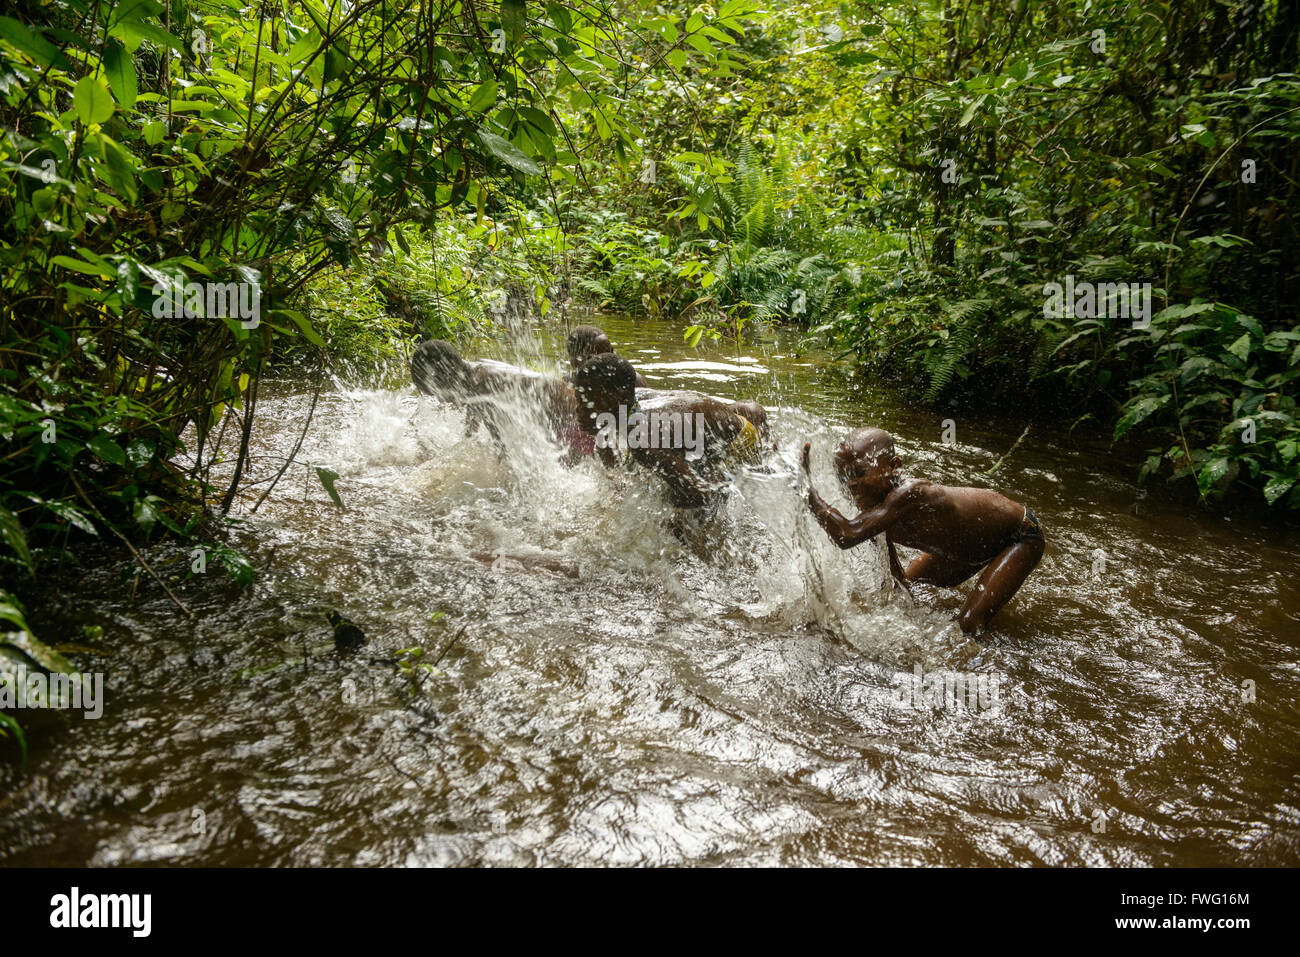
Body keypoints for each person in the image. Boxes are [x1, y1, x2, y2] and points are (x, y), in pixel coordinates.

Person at [801, 427, 1045, 634]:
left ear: (894, 467)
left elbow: (847, 535)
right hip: (970, 546)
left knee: (969, 624)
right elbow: (894, 578)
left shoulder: (912, 493)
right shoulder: (874, 509)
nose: (851, 484)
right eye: (843, 477)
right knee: (912, 588)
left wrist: (806, 489)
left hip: (1019, 535)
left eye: (859, 473)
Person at [572, 354, 759, 509]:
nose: (577, 410)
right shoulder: (623, 407)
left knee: (679, 513)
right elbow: (611, 465)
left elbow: (700, 498)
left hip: (739, 442)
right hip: (711, 433)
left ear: (616, 397)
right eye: (578, 400)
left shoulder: (643, 438)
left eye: (585, 402)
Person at [410, 339, 593, 461]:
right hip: (577, 413)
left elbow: (503, 447)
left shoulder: (481, 385)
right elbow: (472, 429)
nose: (443, 401)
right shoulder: (474, 374)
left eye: (437, 394)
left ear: (447, 377)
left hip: (576, 425)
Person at [565, 325, 650, 387]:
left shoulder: (632, 381)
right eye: (598, 357)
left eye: (610, 352)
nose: (608, 359)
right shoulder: (567, 386)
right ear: (576, 361)